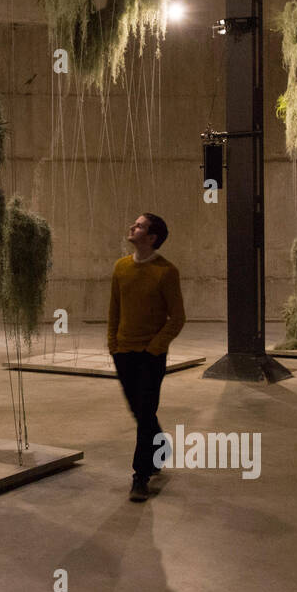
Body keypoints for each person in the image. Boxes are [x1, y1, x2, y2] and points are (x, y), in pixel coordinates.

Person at [108, 212, 186, 502]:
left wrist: (155, 347)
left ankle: (140, 476)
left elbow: (177, 317)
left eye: (139, 225)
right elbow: (114, 310)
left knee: (144, 414)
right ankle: (160, 444)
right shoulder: (121, 268)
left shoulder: (166, 272)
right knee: (140, 411)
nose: (132, 226)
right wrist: (112, 345)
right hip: (123, 352)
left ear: (151, 238)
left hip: (150, 356)